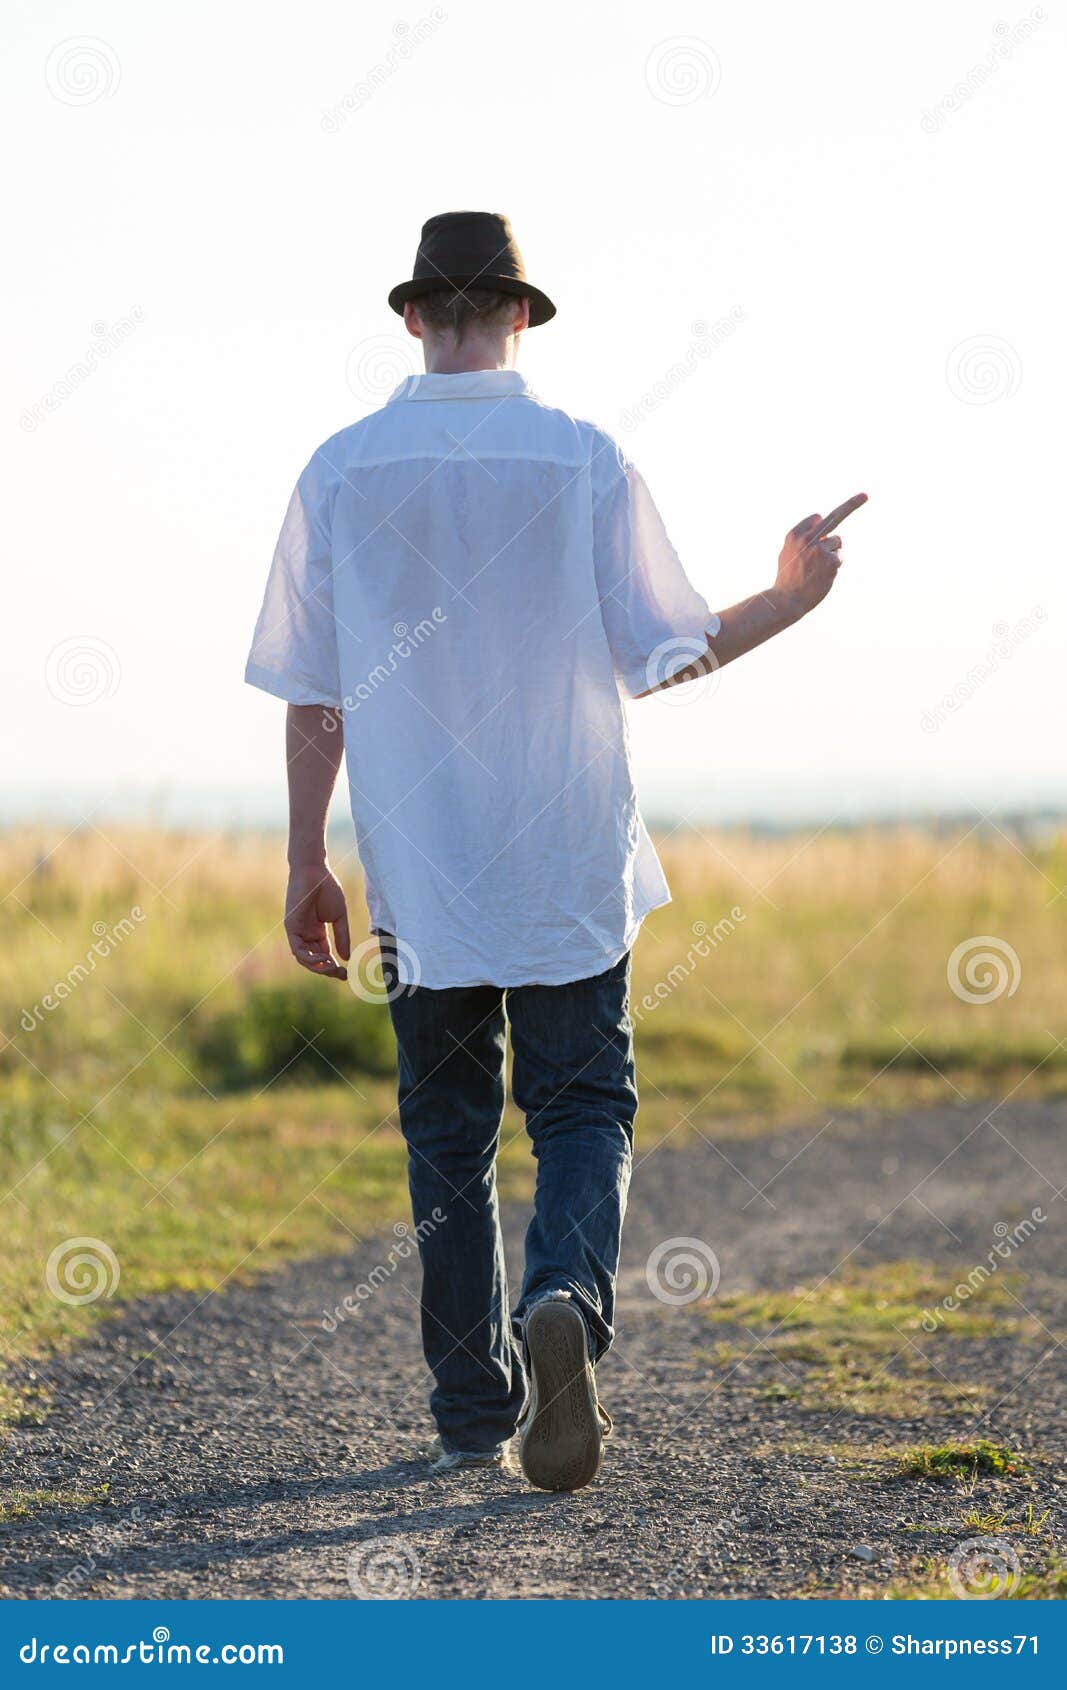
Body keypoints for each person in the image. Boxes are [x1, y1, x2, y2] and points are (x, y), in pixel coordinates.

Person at [245, 210, 854, 1491]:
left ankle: (473, 1407)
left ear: (413, 316)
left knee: (446, 1134)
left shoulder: (339, 469)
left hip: (420, 873)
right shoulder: (580, 458)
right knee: (581, 1109)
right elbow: (664, 654)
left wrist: (307, 858)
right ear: (519, 317)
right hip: (566, 861)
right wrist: (792, 599)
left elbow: (315, 692)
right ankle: (564, 1296)